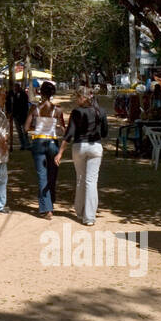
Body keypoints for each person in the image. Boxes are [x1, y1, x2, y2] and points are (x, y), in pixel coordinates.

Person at [56, 86, 108, 226]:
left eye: (78, 97)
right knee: (91, 182)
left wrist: (60, 152)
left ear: (84, 98)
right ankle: (89, 217)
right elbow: (104, 133)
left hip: (79, 146)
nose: (76, 100)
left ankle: (79, 211)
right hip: (95, 147)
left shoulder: (76, 112)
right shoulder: (101, 112)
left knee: (80, 179)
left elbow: (69, 133)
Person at [25, 81, 65, 219]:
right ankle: (51, 201)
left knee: (42, 175)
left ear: (40, 92)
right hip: (53, 142)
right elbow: (62, 127)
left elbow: (25, 127)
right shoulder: (57, 110)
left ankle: (46, 208)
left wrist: (35, 128)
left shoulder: (34, 109)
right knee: (52, 174)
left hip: (38, 141)